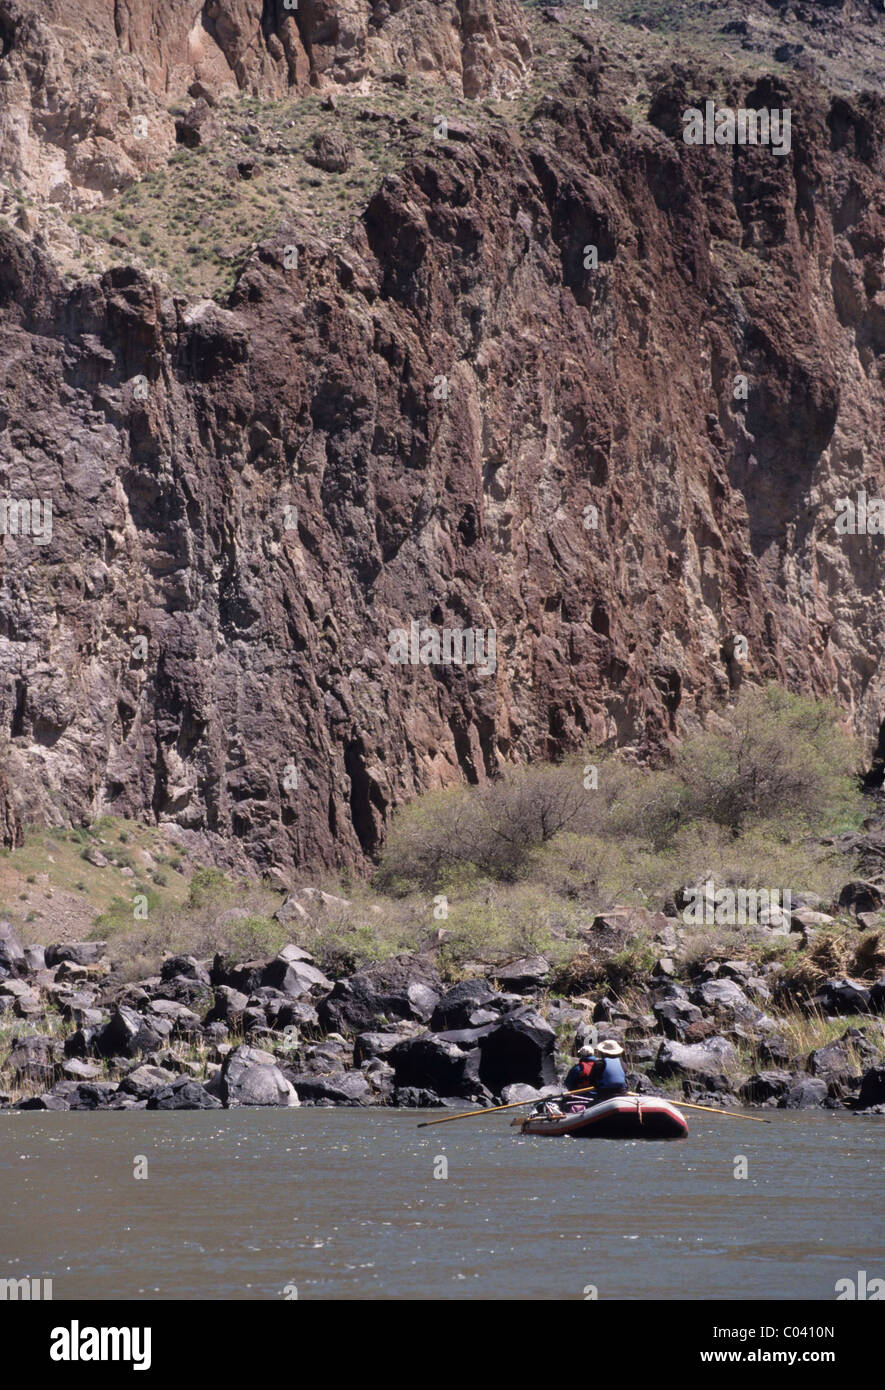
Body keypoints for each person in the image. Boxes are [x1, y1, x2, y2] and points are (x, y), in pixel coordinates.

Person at [562, 1040, 628, 1109]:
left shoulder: (599, 1064)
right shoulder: (623, 1064)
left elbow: (592, 1082)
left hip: (604, 1095)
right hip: (622, 1094)